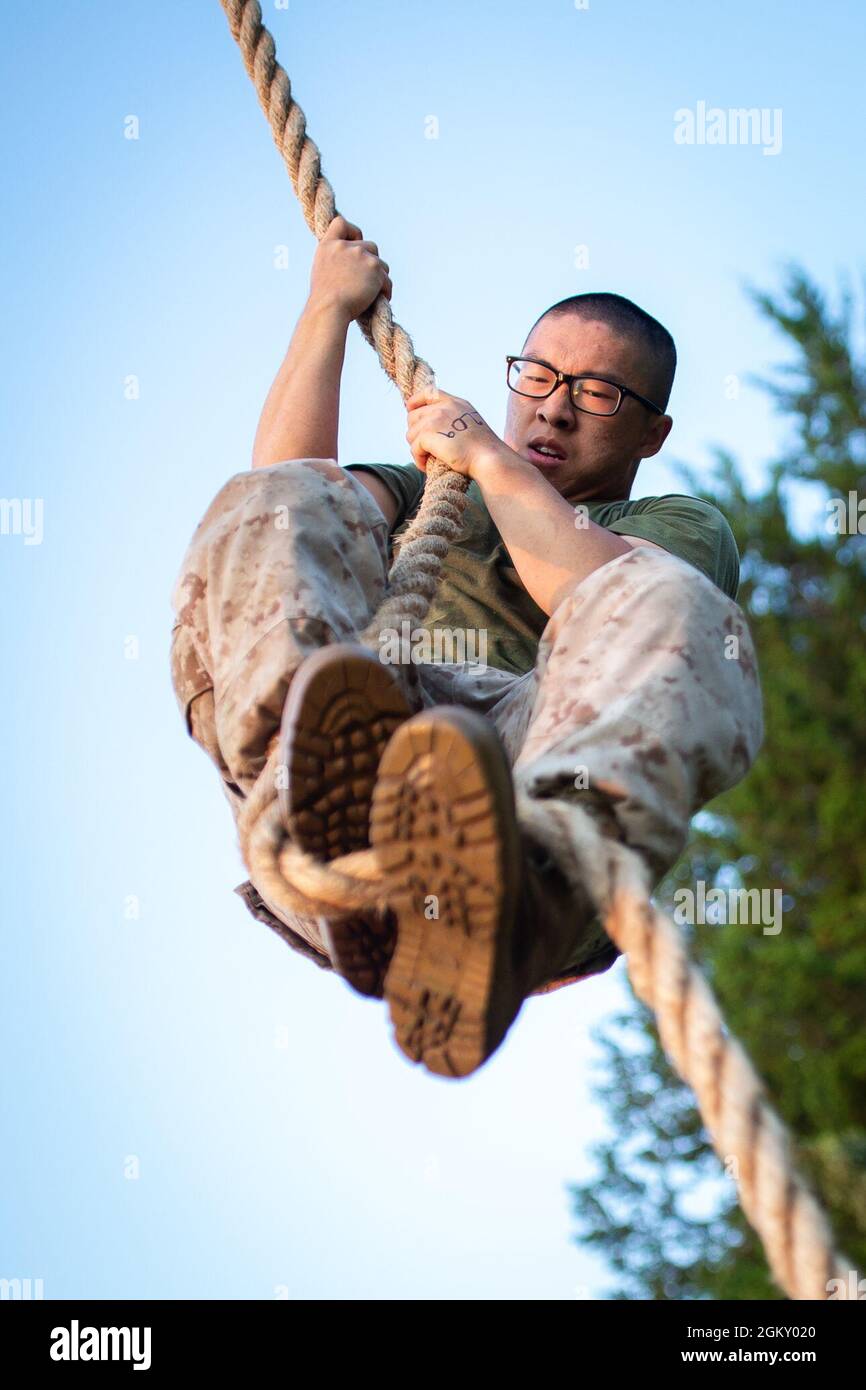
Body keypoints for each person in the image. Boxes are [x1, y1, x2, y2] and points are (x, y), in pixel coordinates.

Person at [170, 216, 763, 1079]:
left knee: (681, 605)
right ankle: (320, 783)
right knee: (269, 503)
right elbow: (287, 504)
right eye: (539, 376)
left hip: (519, 775)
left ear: (652, 434)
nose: (554, 407)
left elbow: (593, 589)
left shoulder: (672, 526)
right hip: (380, 740)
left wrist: (489, 456)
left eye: (599, 394)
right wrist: (327, 309)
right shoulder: (430, 487)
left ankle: (519, 882)